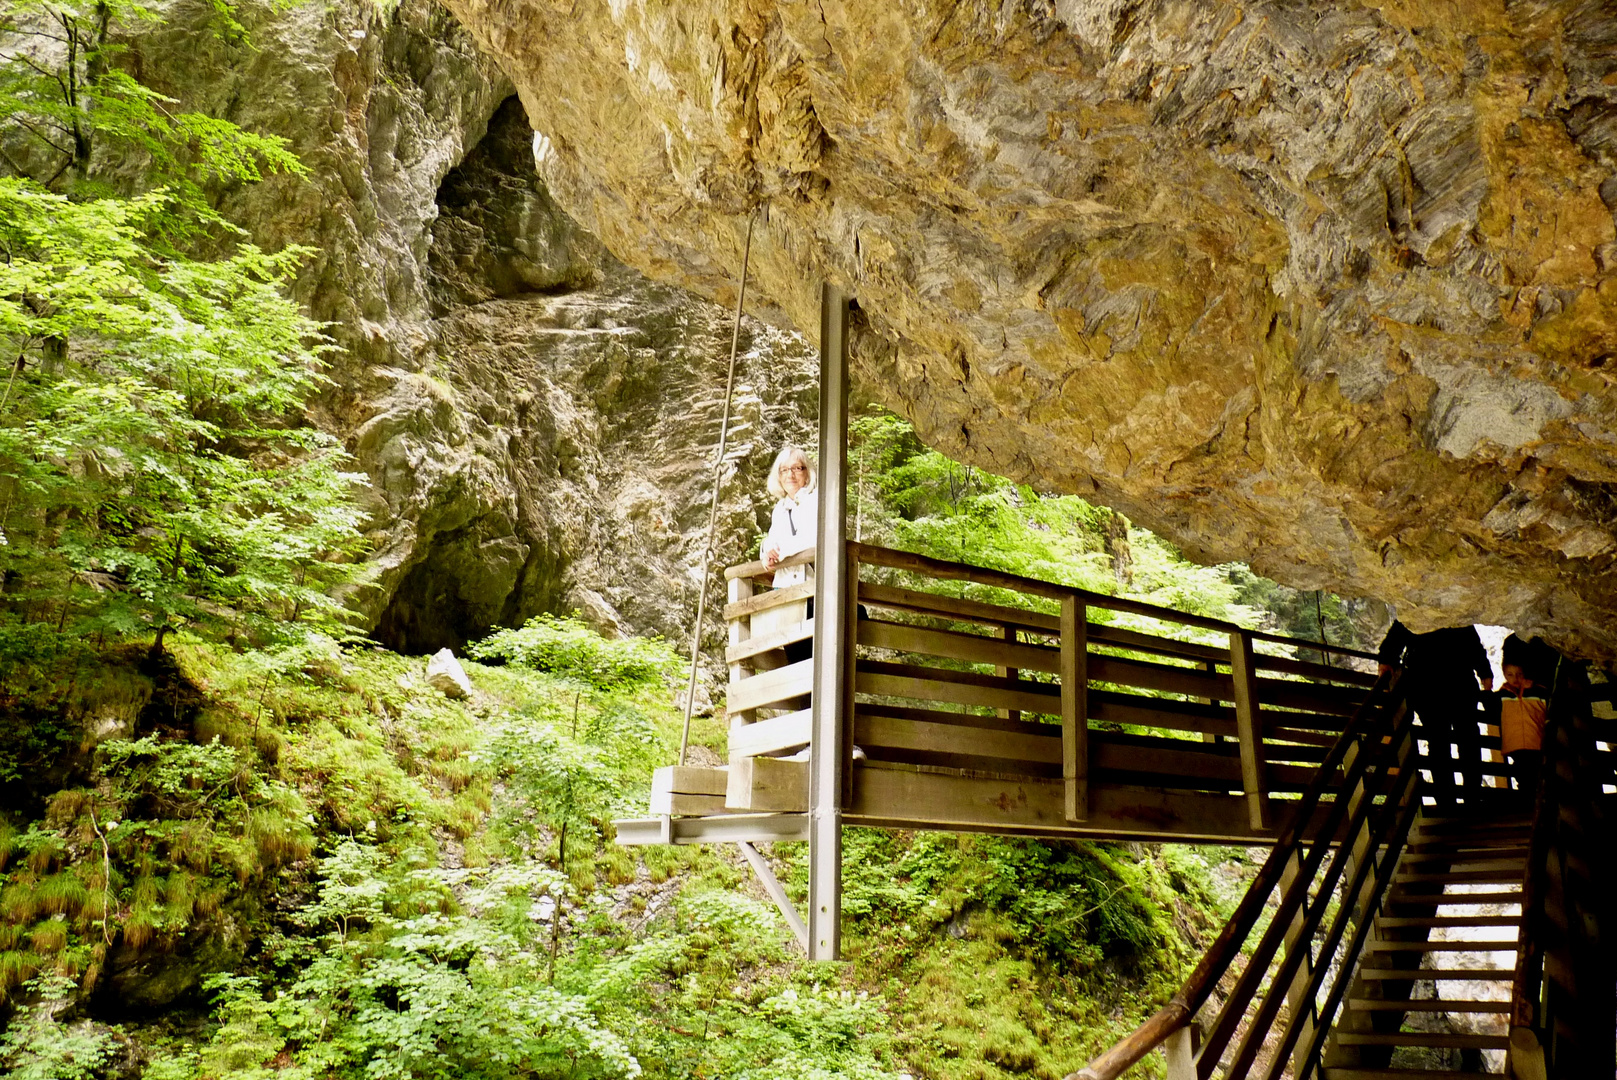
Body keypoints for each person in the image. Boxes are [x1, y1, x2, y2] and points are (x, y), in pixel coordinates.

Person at [1378, 620, 1493, 807]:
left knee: (1444, 742)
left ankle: (1448, 800)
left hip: (1429, 686)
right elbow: (1472, 643)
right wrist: (1484, 673)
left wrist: (1386, 659)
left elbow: (1397, 636)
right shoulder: (1454, 614)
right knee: (1466, 741)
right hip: (1454, 683)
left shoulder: (1417, 611)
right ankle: (1468, 798)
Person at [762, 445, 816, 664]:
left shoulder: (815, 501)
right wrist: (767, 552)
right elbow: (771, 540)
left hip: (812, 592)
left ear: (807, 473)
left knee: (813, 659)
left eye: (797, 468)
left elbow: (812, 538)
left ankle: (816, 700)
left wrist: (780, 551)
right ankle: (806, 701)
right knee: (795, 659)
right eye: (784, 470)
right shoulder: (780, 509)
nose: (790, 475)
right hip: (788, 596)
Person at [1486, 662, 1549, 801]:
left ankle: (1536, 802)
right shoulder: (1503, 695)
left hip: (1535, 741)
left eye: (1519, 674)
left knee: (1537, 772)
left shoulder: (1538, 691)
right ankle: (1527, 802)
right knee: (1521, 773)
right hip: (1515, 743)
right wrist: (1486, 692)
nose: (1515, 678)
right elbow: (1491, 709)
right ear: (1504, 674)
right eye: (1510, 674)